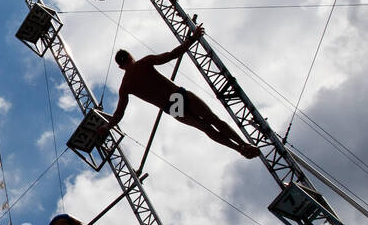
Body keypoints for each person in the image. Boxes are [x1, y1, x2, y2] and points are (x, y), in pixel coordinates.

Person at [106, 25, 260, 158]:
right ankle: (243, 144)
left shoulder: (125, 86)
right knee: (213, 119)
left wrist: (107, 127)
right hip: (178, 95)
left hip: (172, 107)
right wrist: (192, 39)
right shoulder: (144, 62)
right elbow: (172, 55)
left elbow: (119, 113)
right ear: (131, 57)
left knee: (204, 127)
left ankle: (238, 149)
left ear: (120, 67)